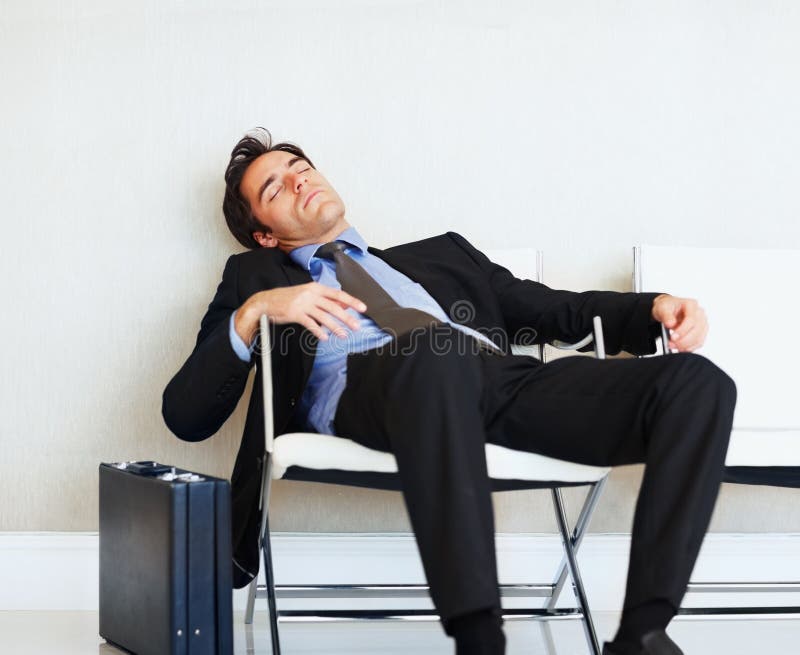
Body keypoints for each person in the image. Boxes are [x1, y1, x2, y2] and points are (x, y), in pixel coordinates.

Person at [162, 128, 736, 655]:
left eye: (301, 167)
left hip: (498, 381)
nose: (297, 180)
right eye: (274, 187)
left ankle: (644, 634)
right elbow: (186, 414)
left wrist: (653, 307)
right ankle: (480, 640)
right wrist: (255, 311)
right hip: (370, 387)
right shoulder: (255, 280)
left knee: (697, 383)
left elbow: (554, 308)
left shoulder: (444, 255)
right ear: (264, 235)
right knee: (433, 355)